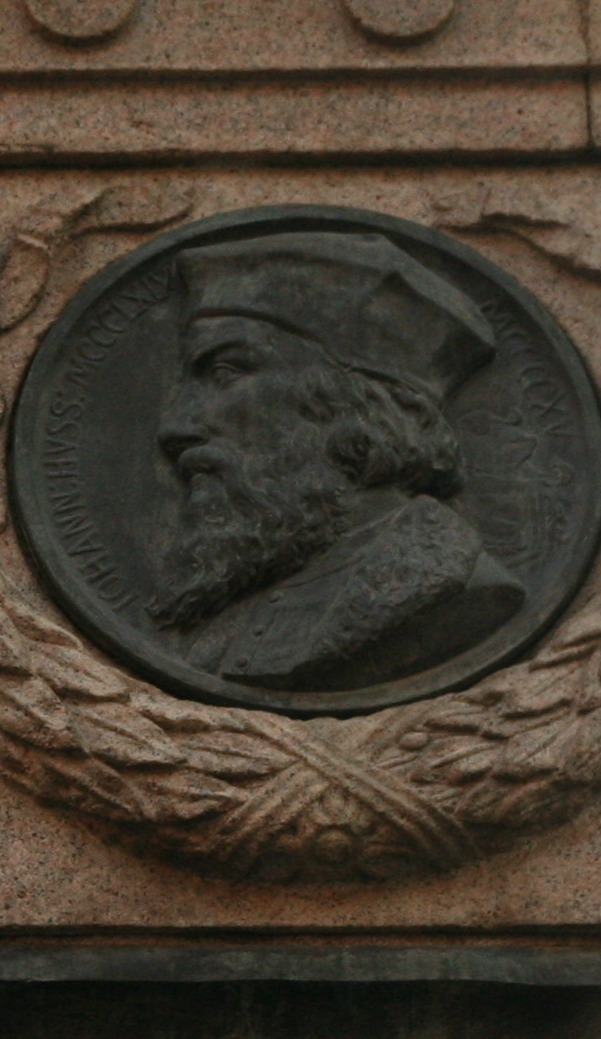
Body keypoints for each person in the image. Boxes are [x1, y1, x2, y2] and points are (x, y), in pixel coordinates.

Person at [143, 231, 523, 695]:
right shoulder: (234, 602)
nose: (176, 425)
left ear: (361, 404)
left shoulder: (462, 590)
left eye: (226, 371)